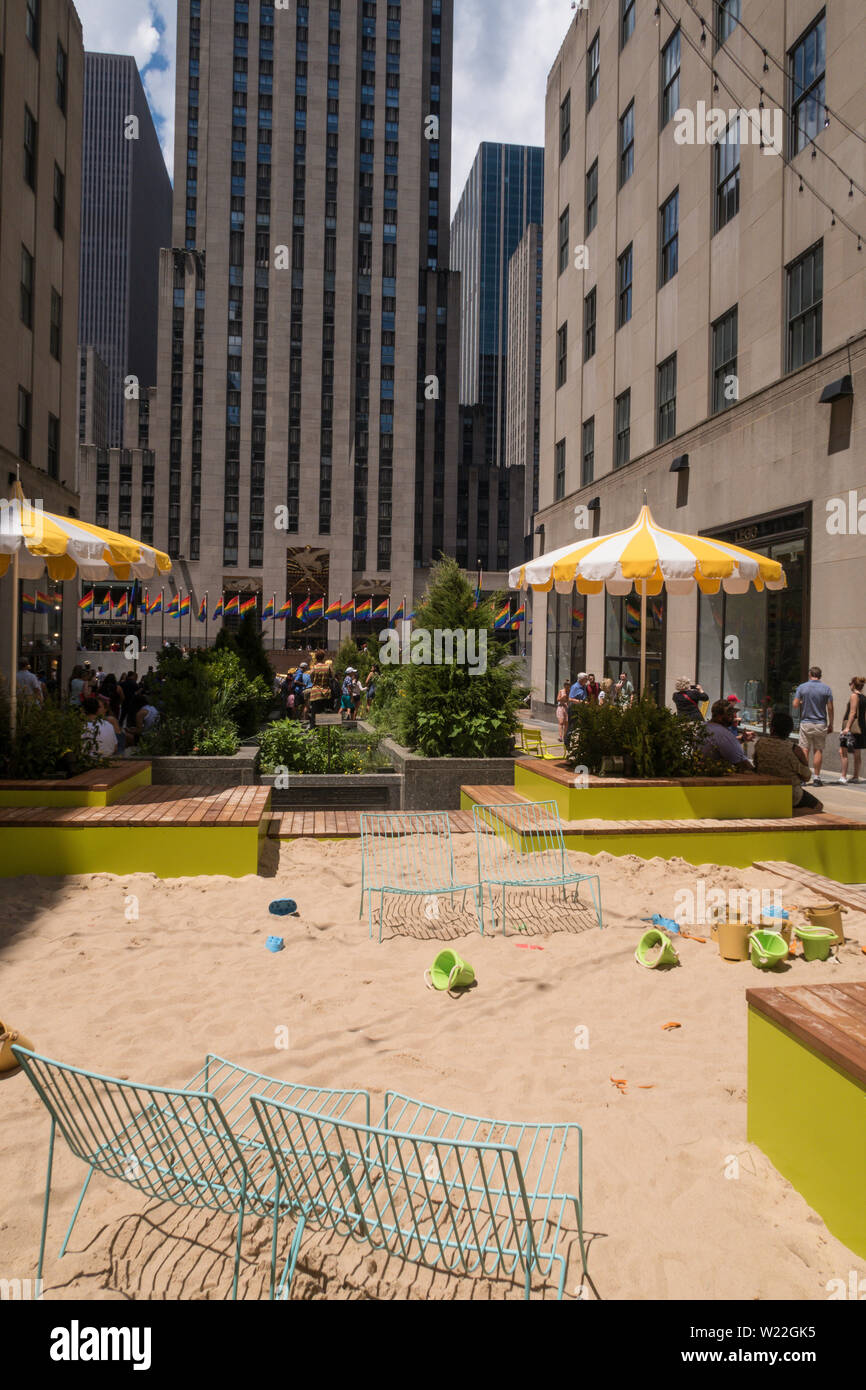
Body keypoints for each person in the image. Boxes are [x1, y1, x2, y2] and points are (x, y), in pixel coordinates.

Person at [754, 711, 823, 812]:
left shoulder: (760, 743)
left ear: (772, 728)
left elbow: (756, 764)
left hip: (764, 789)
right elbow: (807, 776)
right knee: (818, 806)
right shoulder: (794, 749)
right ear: (789, 731)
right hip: (790, 794)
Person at [793, 666, 834, 787]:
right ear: (820, 676)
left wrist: (801, 701)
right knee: (818, 750)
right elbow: (830, 708)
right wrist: (831, 723)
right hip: (821, 723)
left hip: (806, 722)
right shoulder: (826, 689)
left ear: (810, 674)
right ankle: (816, 778)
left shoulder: (802, 687)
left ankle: (804, 778)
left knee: (804, 749)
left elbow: (795, 705)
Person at [700, 699, 753, 769]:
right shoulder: (723, 733)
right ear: (719, 717)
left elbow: (719, 743)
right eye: (729, 715)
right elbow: (742, 763)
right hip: (717, 776)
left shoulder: (704, 726)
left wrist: (742, 739)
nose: (733, 717)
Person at [838, 675, 866, 784]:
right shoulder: (863, 697)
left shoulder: (854, 696)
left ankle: (843, 777)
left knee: (842, 751)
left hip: (852, 728)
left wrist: (847, 727)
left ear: (854, 685)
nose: (849, 685)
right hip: (860, 728)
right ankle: (855, 776)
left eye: (850, 683)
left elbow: (853, 712)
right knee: (857, 753)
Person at [307, 650, 334, 728]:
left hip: (315, 693)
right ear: (323, 657)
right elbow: (332, 677)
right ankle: (325, 730)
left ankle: (313, 730)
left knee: (314, 714)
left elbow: (311, 678)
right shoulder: (328, 667)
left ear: (315, 658)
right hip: (326, 693)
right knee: (325, 713)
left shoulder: (314, 668)